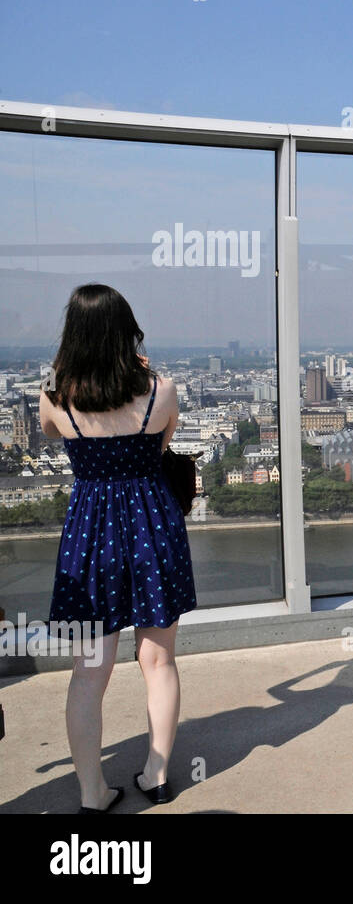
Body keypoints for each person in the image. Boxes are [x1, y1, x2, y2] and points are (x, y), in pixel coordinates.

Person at [37, 284, 196, 813]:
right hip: (153, 527)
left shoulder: (55, 395)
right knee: (159, 660)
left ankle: (92, 792)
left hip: (90, 536)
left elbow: (47, 429)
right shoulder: (161, 390)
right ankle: (157, 775)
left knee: (89, 670)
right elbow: (163, 444)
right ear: (129, 332)